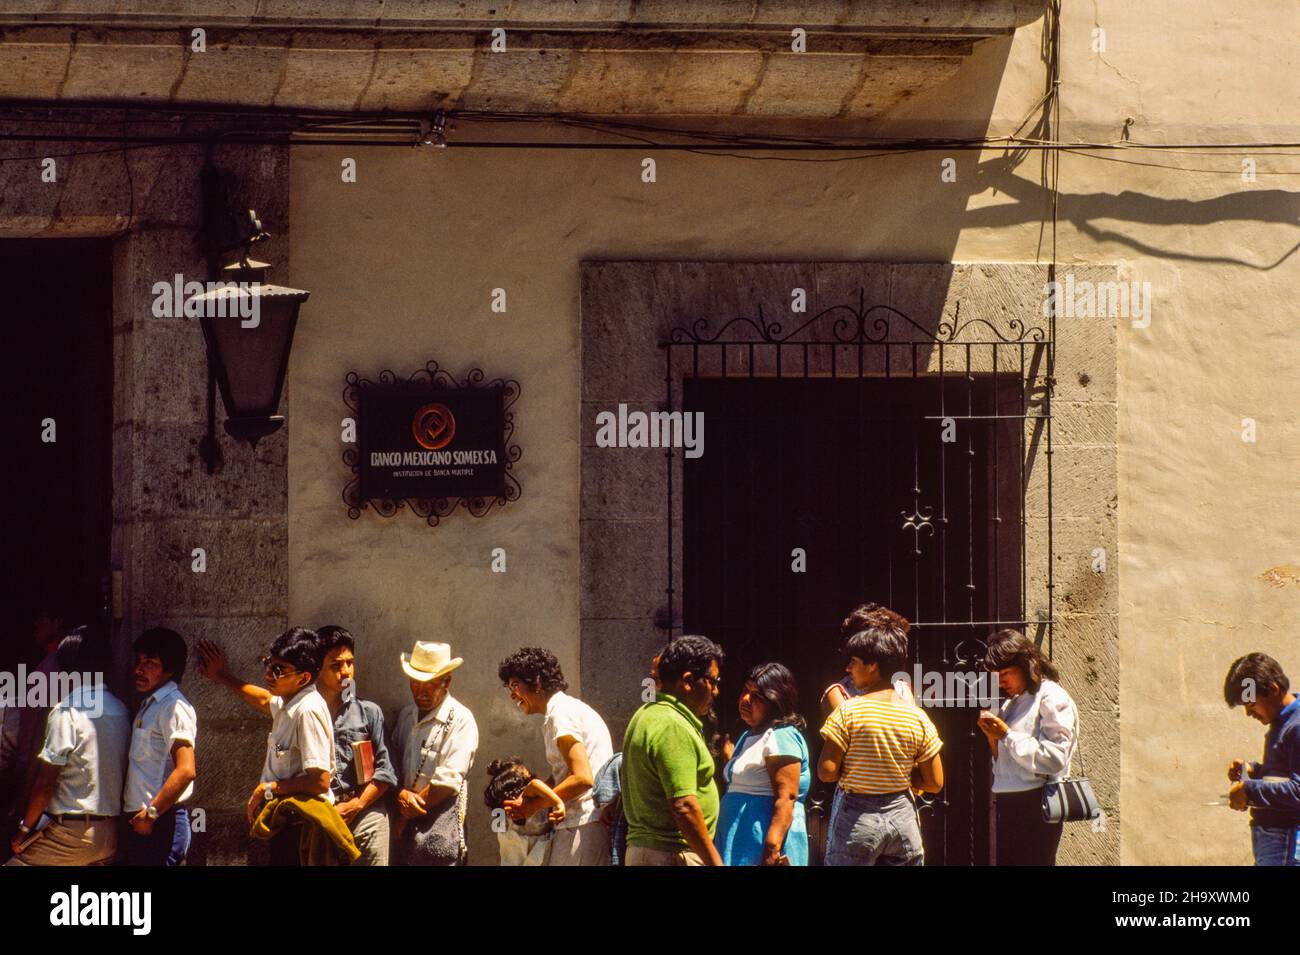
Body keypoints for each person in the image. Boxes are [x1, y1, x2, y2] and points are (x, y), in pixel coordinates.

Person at [197, 628, 336, 866]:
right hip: (286, 824)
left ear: (303, 679)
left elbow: (319, 781)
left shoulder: (308, 710)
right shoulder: (290, 701)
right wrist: (221, 675)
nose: (269, 674)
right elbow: (263, 699)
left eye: (279, 670)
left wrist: (268, 789)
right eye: (268, 664)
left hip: (301, 830)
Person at [817, 617, 943, 866]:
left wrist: (861, 766)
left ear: (872, 664)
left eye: (853, 662)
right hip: (903, 820)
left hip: (858, 821)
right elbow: (935, 782)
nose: (848, 669)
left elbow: (827, 771)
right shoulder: (917, 716)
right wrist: (898, 772)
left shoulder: (848, 712)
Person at [6, 627, 130, 866]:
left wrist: (23, 830)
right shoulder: (121, 709)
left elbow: (46, 784)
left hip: (67, 835)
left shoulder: (66, 711)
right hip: (110, 835)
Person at [498, 647, 614, 865]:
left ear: (538, 683)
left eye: (515, 685)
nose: (511, 694)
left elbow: (582, 778)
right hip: (584, 824)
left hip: (581, 825)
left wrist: (534, 805)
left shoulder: (560, 715)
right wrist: (529, 796)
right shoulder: (564, 711)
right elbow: (565, 776)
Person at [977, 629, 1079, 866]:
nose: (1000, 682)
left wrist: (1006, 734)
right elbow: (1005, 762)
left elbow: (1054, 758)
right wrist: (993, 738)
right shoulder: (1012, 703)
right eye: (995, 675)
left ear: (1026, 665)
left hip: (1036, 803)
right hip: (1009, 802)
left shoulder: (1051, 696)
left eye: (1005, 673)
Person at [622, 634, 724, 866]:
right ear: (688, 681)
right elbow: (684, 806)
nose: (716, 692)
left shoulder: (648, 714)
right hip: (671, 854)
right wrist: (715, 862)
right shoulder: (672, 725)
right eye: (713, 682)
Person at [315, 625, 398, 866]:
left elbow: (387, 771)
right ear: (317, 668)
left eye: (350, 663)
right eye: (336, 665)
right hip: (321, 814)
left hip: (366, 812)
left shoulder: (369, 712)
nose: (346, 672)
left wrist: (358, 804)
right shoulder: (304, 714)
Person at [391, 641, 478, 865]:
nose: (420, 690)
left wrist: (405, 815)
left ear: (446, 681)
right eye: (415, 682)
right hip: (405, 823)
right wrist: (400, 794)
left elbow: (448, 780)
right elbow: (393, 765)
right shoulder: (406, 716)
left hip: (439, 822)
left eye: (428, 683)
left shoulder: (460, 719)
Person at [716, 662, 810, 866]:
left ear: (776, 701)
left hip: (759, 846)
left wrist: (771, 852)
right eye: (745, 691)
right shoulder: (748, 735)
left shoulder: (782, 736)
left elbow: (786, 798)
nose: (746, 699)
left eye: (758, 696)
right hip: (741, 841)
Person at [122, 628, 197, 866]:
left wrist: (151, 814)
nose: (139, 669)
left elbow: (186, 770)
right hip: (143, 822)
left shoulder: (173, 706)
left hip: (161, 822)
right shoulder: (150, 705)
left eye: (150, 663)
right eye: (139, 661)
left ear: (169, 669)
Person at [1223, 652, 1300, 866]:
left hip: (1287, 843)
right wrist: (1253, 770)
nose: (1248, 713)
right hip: (1276, 844)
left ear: (1273, 690)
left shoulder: (1297, 726)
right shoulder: (1282, 723)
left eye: (1250, 704)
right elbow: (1284, 776)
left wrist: (1249, 790)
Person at [483, 757, 565, 866]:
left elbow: (535, 784)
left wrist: (558, 802)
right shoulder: (503, 813)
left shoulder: (529, 797)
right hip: (516, 857)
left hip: (538, 855)